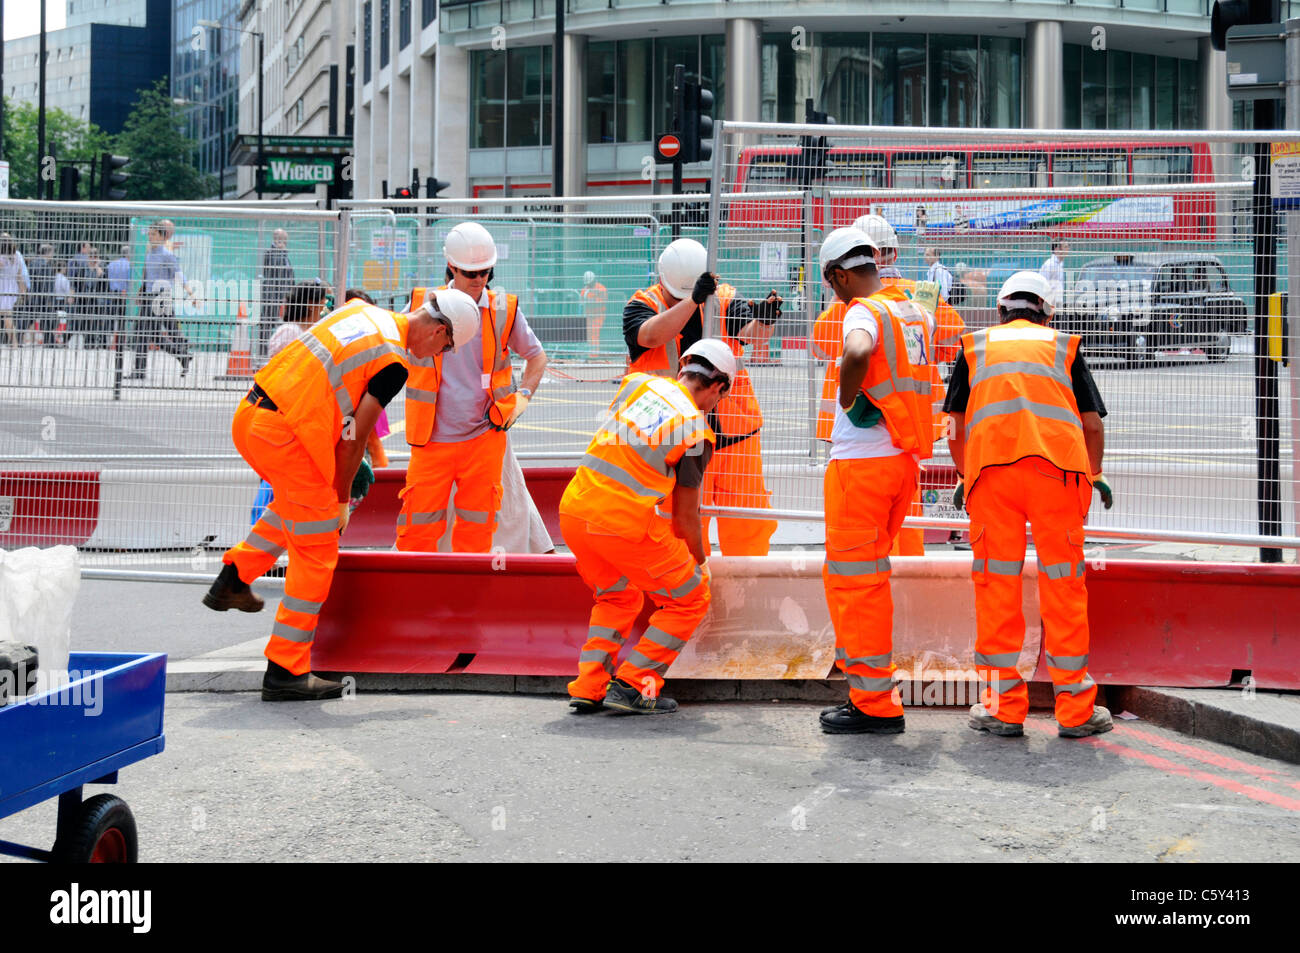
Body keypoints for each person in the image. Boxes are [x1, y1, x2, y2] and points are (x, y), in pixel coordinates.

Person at [204, 287, 481, 701]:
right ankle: (286, 669)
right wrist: (340, 502)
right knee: (317, 549)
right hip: (286, 435)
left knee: (294, 507)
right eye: (447, 348)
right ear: (440, 332)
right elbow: (356, 438)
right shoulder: (393, 363)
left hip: (253, 416)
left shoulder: (364, 312)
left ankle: (234, 578)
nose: (438, 356)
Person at [944, 271, 1114, 739]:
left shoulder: (974, 346)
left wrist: (965, 473)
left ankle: (1004, 708)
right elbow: (1092, 424)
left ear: (1000, 312)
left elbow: (955, 424)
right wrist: (1094, 474)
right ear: (1047, 312)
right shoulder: (1063, 346)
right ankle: (1076, 711)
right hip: (1058, 477)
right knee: (1064, 587)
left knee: (997, 586)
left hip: (993, 480)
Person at [562, 338, 734, 715]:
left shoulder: (640, 383)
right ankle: (633, 684)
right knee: (690, 597)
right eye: (719, 397)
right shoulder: (695, 432)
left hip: (575, 510)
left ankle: (590, 685)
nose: (714, 405)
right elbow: (685, 519)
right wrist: (700, 562)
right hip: (619, 521)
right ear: (718, 386)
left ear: (684, 367)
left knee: (617, 596)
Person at [816, 227, 935, 735]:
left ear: (841, 275)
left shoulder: (863, 312)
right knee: (864, 577)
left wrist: (847, 397)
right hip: (899, 461)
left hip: (860, 467)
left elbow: (859, 352)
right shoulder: (912, 311)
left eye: (832, 286)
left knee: (856, 585)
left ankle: (873, 704)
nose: (835, 296)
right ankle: (867, 691)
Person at [396, 222, 549, 553]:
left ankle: (467, 600)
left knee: (477, 532)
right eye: (470, 273)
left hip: (483, 439)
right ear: (452, 266)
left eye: (485, 271)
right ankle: (411, 598)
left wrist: (523, 396)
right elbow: (394, 343)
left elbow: (537, 357)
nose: (479, 279)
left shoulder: (503, 309)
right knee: (416, 530)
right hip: (430, 440)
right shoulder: (424, 304)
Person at [624, 238, 778, 555]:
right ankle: (695, 592)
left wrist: (764, 319)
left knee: (748, 526)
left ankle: (749, 591)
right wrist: (691, 301)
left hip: (734, 433)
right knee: (683, 529)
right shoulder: (642, 305)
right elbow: (650, 335)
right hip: (675, 439)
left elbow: (751, 332)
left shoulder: (722, 299)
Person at [128, 220, 194, 380]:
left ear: (161, 236)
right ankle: (182, 356)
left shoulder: (167, 254)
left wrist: (191, 293)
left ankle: (142, 370)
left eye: (153, 234)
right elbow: (146, 274)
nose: (150, 237)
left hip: (162, 297)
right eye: (149, 234)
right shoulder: (149, 252)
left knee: (150, 332)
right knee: (148, 334)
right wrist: (141, 292)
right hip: (149, 297)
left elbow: (178, 274)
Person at [258, 228, 296, 362]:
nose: (285, 243)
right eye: (283, 240)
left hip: (282, 295)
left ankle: (277, 351)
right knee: (268, 323)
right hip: (273, 295)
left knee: (280, 323)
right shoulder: (273, 254)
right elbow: (276, 272)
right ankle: (264, 353)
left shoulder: (284, 255)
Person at [25, 245, 56, 347]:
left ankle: (16, 338)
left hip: (34, 295)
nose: (53, 255)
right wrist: (49, 297)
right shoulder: (45, 265)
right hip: (42, 297)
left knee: (28, 318)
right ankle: (49, 342)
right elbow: (46, 283)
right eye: (52, 252)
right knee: (45, 319)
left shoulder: (33, 263)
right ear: (48, 253)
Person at [0, 234, 27, 347]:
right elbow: (19, 275)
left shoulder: (1, 257)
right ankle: (14, 343)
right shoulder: (18, 255)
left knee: (7, 317)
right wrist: (22, 290)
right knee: (7, 316)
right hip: (12, 288)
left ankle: (14, 342)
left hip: (2, 286)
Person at [106, 245, 132, 350]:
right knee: (122, 320)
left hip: (112, 294)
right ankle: (120, 344)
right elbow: (130, 281)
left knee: (111, 319)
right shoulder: (129, 265)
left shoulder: (111, 264)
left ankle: (109, 342)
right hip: (123, 294)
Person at [579, 270, 607, 353]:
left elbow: (600, 302)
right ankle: (589, 352)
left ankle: (594, 355)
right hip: (588, 316)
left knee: (595, 333)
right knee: (588, 335)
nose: (588, 285)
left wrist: (589, 301)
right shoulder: (585, 290)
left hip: (598, 315)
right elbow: (581, 301)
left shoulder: (601, 289)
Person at [1039, 240, 1068, 310]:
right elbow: (1043, 284)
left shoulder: (1060, 264)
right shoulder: (1049, 264)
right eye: (1065, 247)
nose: (1067, 249)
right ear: (1057, 249)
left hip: (1057, 304)